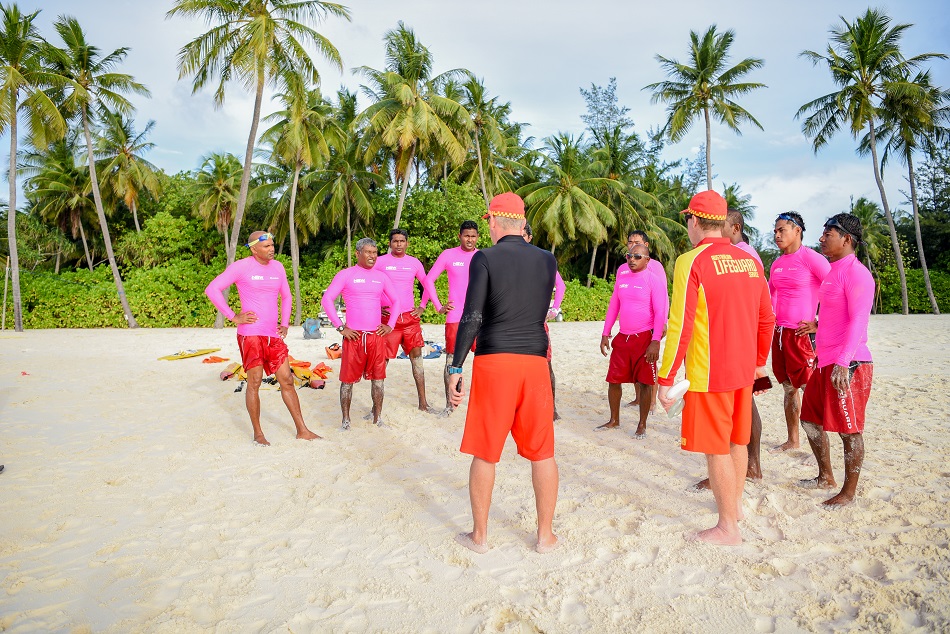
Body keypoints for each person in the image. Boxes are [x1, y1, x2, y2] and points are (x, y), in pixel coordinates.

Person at [657, 191, 774, 546]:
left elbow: (681, 324)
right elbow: (767, 317)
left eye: (687, 221)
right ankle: (734, 509)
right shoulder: (750, 261)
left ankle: (727, 528)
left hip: (710, 372)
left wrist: (665, 378)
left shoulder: (691, 261)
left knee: (716, 448)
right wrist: (758, 362)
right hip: (742, 370)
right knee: (738, 441)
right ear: (723, 222)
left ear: (694, 221)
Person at [448, 192, 559, 555]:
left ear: (494, 221)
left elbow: (472, 316)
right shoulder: (547, 260)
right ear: (522, 223)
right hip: (535, 363)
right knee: (543, 453)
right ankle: (544, 536)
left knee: (485, 452)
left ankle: (480, 537)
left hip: (495, 362)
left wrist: (456, 365)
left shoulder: (485, 258)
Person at [205, 231, 321, 445]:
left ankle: (302, 429)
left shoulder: (278, 267)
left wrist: (284, 323)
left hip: (273, 335)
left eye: (272, 245)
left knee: (286, 379)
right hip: (250, 335)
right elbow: (212, 289)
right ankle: (259, 434)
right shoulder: (242, 266)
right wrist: (233, 316)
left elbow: (286, 296)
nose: (271, 249)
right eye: (266, 246)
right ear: (253, 249)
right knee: (255, 382)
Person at [799, 214, 874, 506]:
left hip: (850, 363)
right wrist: (817, 324)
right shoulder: (833, 270)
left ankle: (848, 492)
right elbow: (836, 313)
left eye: (828, 234)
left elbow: (858, 321)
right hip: (825, 360)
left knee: (849, 430)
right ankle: (825, 476)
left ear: (846, 239)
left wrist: (843, 362)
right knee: (809, 420)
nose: (821, 238)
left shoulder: (857, 273)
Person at [696, 209, 766, 487]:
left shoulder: (746, 256)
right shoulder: (738, 255)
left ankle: (750, 466)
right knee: (742, 410)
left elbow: (760, 308)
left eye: (720, 225)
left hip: (740, 346)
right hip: (746, 345)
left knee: (742, 412)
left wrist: (759, 359)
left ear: (734, 228)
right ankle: (748, 466)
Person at [769, 211, 831, 453]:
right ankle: (792, 440)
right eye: (775, 230)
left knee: (809, 389)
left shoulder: (812, 259)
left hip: (802, 335)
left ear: (797, 231)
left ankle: (821, 442)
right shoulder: (776, 263)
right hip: (780, 334)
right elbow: (770, 294)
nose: (776, 235)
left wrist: (819, 322)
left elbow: (835, 291)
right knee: (788, 388)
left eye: (781, 230)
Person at [321, 238, 400, 430]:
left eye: (375, 252)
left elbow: (396, 301)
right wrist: (340, 327)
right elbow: (327, 300)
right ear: (358, 254)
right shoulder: (346, 275)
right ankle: (346, 421)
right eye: (368, 252)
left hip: (376, 336)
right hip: (354, 337)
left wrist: (389, 324)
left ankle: (377, 418)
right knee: (347, 381)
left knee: (379, 379)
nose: (372, 256)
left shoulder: (381, 277)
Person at [598, 243, 669, 437]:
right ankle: (614, 420)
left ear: (647, 260)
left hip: (644, 337)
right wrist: (606, 333)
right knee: (613, 379)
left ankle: (642, 425)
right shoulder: (622, 278)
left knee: (645, 382)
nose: (632, 259)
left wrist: (655, 341)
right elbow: (614, 307)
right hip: (623, 337)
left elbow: (660, 312)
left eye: (637, 257)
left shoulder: (653, 280)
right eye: (629, 256)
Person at [375, 228, 444, 413]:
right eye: (395, 241)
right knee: (382, 362)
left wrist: (422, 307)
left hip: (410, 320)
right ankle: (376, 408)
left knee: (417, 360)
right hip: (387, 320)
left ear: (407, 243)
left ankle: (423, 403)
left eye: (402, 241)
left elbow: (427, 284)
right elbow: (369, 282)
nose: (398, 244)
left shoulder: (414, 263)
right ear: (389, 243)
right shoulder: (380, 262)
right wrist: (375, 305)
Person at [422, 221, 480, 416]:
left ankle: (481, 403)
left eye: (473, 236)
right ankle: (450, 405)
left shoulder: (482, 256)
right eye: (466, 236)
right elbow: (428, 279)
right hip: (455, 316)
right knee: (452, 361)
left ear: (477, 237)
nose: (469, 239)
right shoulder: (449, 255)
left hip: (480, 317)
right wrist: (439, 306)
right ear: (459, 236)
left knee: (483, 361)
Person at [522, 222, 566, 420]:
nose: (519, 240)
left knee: (546, 365)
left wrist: (554, 309)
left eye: (524, 236)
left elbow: (561, 285)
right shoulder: (508, 258)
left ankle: (552, 407)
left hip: (538, 322)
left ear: (530, 238)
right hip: (515, 321)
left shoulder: (540, 258)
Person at [621, 231, 666, 408]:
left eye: (637, 242)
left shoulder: (655, 266)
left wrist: (662, 324)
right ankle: (639, 398)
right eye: (629, 242)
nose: (632, 245)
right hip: (630, 327)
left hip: (650, 324)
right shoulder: (625, 267)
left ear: (646, 246)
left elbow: (662, 299)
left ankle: (651, 400)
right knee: (633, 362)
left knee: (649, 362)